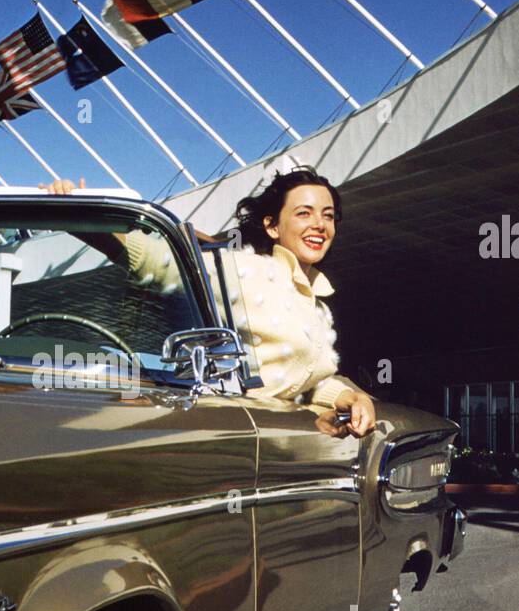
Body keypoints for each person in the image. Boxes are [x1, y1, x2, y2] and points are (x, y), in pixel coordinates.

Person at [38, 170, 375, 437]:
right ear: (272, 226)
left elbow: (305, 382)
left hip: (281, 441)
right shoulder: (246, 270)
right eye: (304, 213)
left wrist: (351, 397)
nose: (319, 224)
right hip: (232, 436)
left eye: (328, 216)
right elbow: (154, 260)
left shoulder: (317, 302)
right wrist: (77, 212)